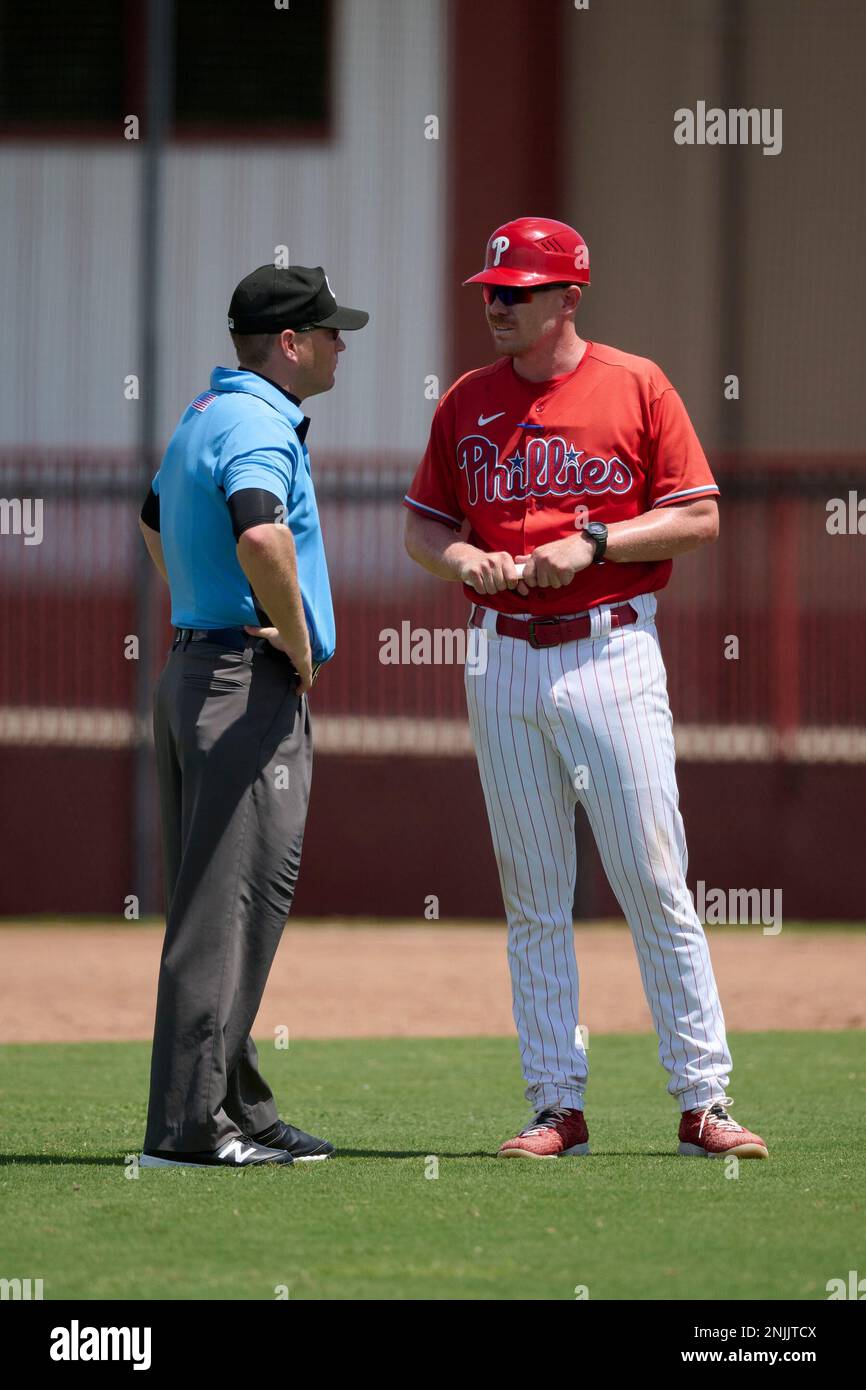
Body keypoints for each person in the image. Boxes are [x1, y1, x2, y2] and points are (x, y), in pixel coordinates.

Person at [403, 217, 768, 1161]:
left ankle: (702, 1099)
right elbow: (423, 530)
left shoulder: (636, 384)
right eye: (492, 290)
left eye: (517, 291)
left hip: (610, 652)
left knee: (653, 879)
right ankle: (555, 1106)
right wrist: (464, 562)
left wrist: (597, 541)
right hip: (502, 653)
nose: (498, 305)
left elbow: (699, 517)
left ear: (569, 294)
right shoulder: (466, 403)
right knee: (534, 892)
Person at [137, 263, 368, 1167]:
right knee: (227, 909)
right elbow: (262, 531)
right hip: (244, 684)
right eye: (331, 331)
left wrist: (200, 607)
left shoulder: (207, 412)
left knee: (223, 903)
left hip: (200, 671)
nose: (342, 344)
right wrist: (296, 644)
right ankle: (189, 1131)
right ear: (291, 344)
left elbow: (154, 518)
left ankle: (237, 1104)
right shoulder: (261, 422)